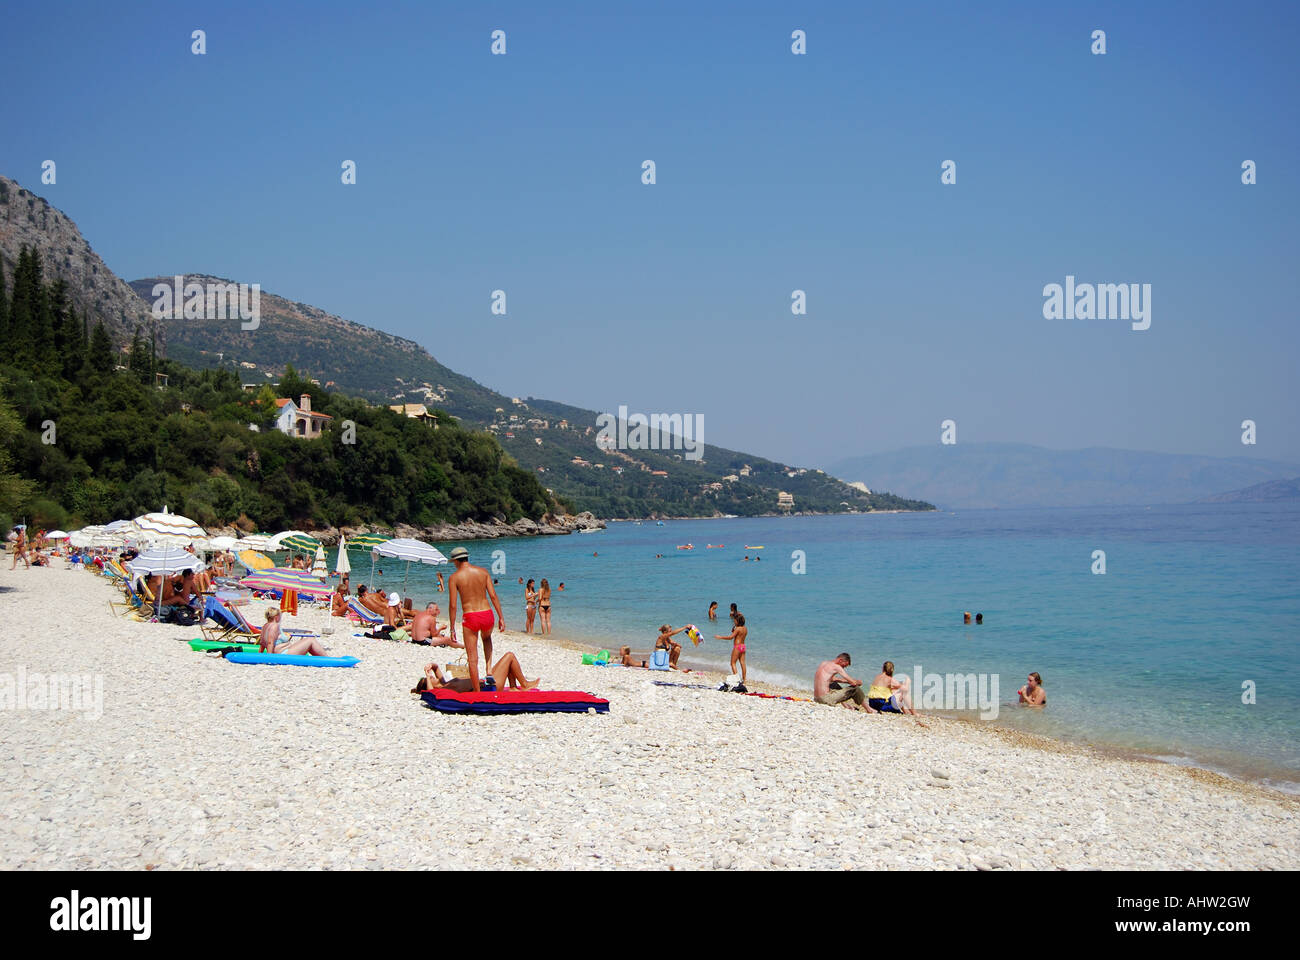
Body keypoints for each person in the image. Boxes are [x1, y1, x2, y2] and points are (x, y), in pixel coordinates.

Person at [446, 546, 506, 692]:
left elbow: (453, 605)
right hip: (487, 613)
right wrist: (501, 617)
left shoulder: (454, 578)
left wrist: (452, 627)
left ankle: (477, 693)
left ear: (455, 561)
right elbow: (493, 596)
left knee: (472, 658)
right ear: (467, 557)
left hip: (471, 616)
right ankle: (489, 670)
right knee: (486, 638)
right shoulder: (483, 572)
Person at [413, 652, 539, 694]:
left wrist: (432, 666)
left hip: (485, 681)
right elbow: (430, 692)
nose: (432, 676)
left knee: (508, 659)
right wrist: (427, 676)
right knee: (509, 656)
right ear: (429, 683)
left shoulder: (443, 683)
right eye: (430, 678)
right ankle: (524, 683)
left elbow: (437, 669)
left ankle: (512, 687)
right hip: (489, 687)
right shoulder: (440, 690)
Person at [259, 607, 328, 656]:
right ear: (276, 617)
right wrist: (269, 658)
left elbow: (262, 643)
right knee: (311, 640)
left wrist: (259, 655)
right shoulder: (275, 626)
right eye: (280, 616)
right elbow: (270, 642)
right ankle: (328, 660)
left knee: (307, 642)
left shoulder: (265, 626)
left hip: (284, 651)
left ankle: (322, 660)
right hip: (284, 654)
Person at [714, 614, 749, 684]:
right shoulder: (745, 628)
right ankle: (744, 679)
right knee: (742, 663)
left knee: (732, 663)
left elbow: (731, 637)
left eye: (735, 621)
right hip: (743, 646)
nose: (734, 622)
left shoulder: (737, 629)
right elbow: (739, 636)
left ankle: (737, 678)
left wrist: (720, 637)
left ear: (737, 621)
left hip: (737, 647)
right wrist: (734, 630)